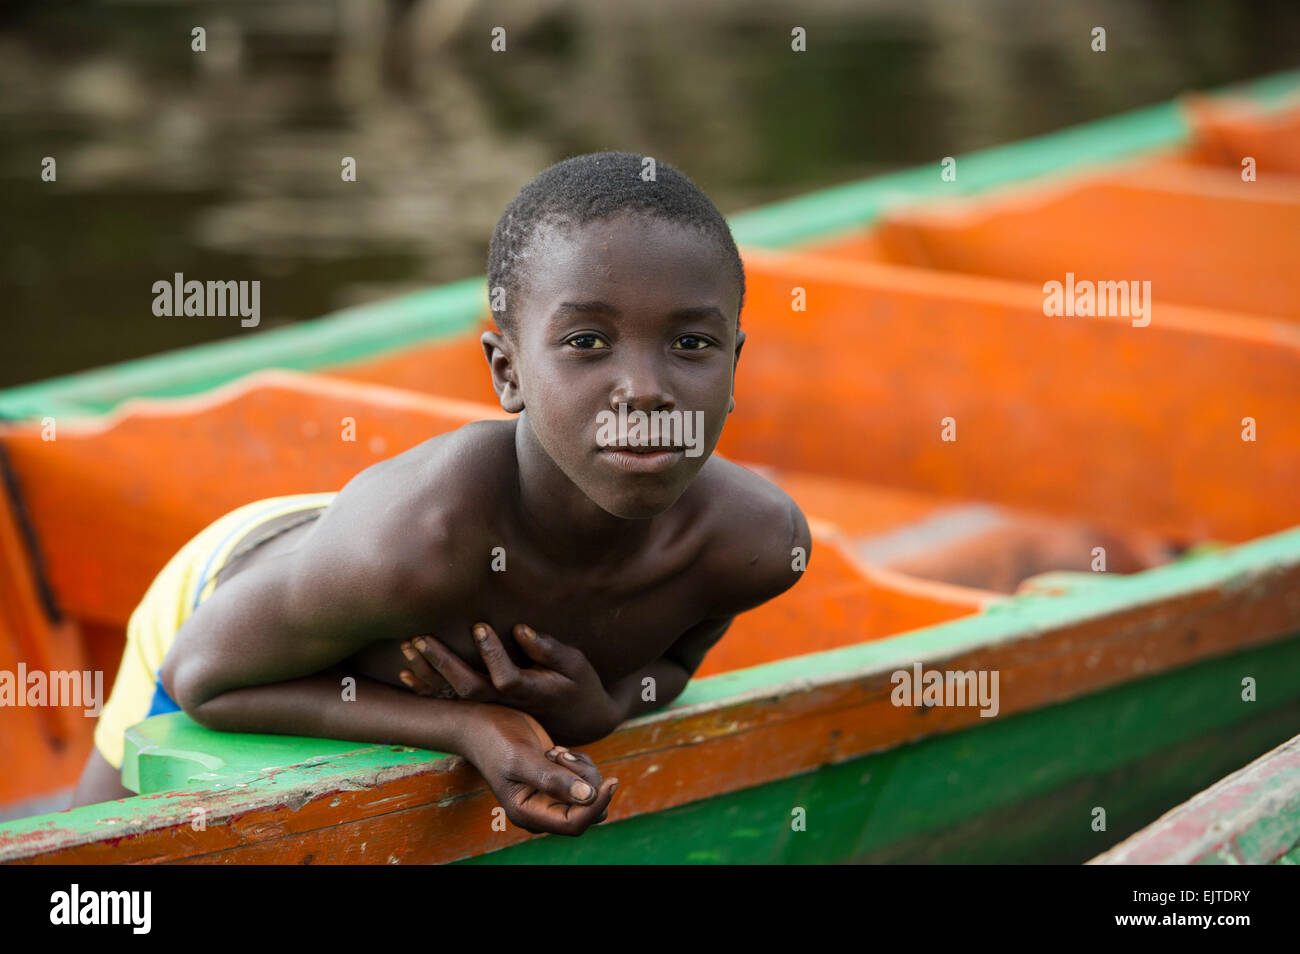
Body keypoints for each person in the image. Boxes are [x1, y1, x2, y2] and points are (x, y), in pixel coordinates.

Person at [72, 152, 811, 837]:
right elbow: (204, 681)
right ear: (507, 371)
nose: (645, 391)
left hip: (342, 575)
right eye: (587, 341)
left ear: (734, 366)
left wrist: (604, 710)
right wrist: (471, 728)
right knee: (92, 880)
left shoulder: (758, 546)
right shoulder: (417, 545)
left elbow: (675, 667)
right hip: (239, 597)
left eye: (691, 345)